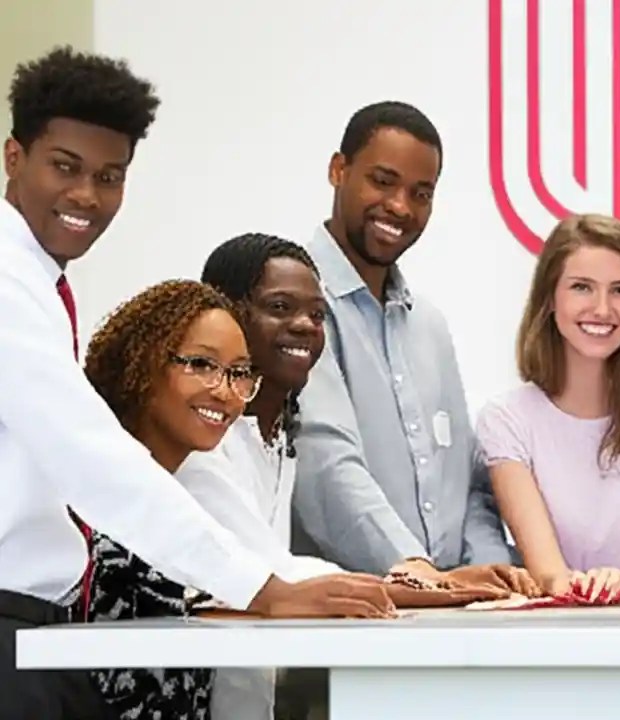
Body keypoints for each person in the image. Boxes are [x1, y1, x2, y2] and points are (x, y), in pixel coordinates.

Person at [0, 47, 390, 720]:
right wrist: (258, 588)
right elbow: (89, 456)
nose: (88, 196)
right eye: (65, 167)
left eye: (111, 175)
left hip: (38, 626)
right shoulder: (8, 280)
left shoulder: (38, 279)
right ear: (14, 157)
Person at [191, 234, 537, 719]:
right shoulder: (203, 438)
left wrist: (444, 581)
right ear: (226, 314)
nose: (305, 327)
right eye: (280, 307)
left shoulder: (277, 436)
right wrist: (429, 586)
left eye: (315, 314)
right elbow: (269, 575)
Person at [294, 101, 512, 575]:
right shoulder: (294, 305)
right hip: (340, 622)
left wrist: (495, 571)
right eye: (383, 181)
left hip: (442, 622)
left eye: (422, 193)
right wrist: (413, 568)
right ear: (338, 169)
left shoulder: (428, 325)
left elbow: (467, 484)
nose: (400, 207)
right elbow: (325, 465)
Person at [475, 214, 620, 603]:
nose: (602, 309)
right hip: (550, 635)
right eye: (582, 288)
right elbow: (548, 573)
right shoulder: (506, 420)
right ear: (550, 298)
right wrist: (584, 587)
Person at [82, 279, 265, 719]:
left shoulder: (178, 496)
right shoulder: (101, 522)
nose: (224, 391)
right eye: (201, 364)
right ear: (143, 364)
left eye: (240, 373)